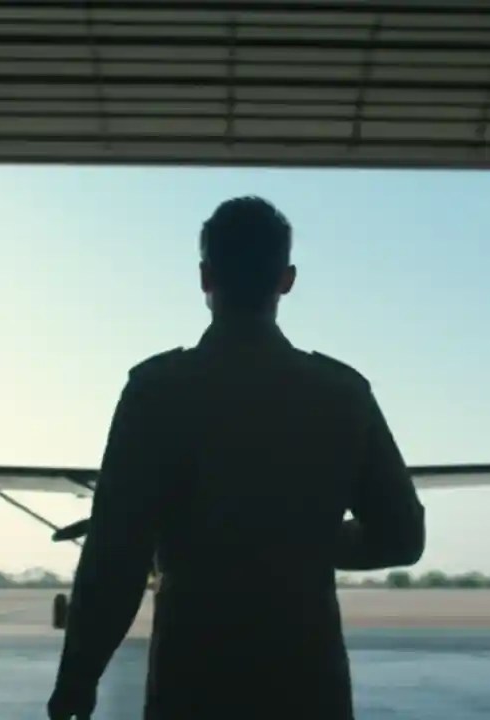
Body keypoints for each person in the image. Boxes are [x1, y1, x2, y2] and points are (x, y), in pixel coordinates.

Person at [48, 196, 425, 720]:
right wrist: (305, 537)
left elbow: (114, 557)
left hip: (192, 686)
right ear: (286, 279)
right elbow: (402, 538)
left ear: (205, 277)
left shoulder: (156, 389)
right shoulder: (342, 392)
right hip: (309, 690)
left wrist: (77, 679)